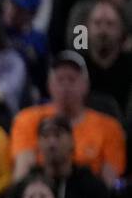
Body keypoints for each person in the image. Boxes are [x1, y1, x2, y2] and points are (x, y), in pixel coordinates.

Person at [10, 53, 126, 187]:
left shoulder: (109, 127)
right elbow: (22, 172)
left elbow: (110, 182)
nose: (65, 86)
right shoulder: (27, 120)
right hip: (41, 192)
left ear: (86, 85)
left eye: (72, 79)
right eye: (60, 79)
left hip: (88, 194)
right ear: (49, 85)